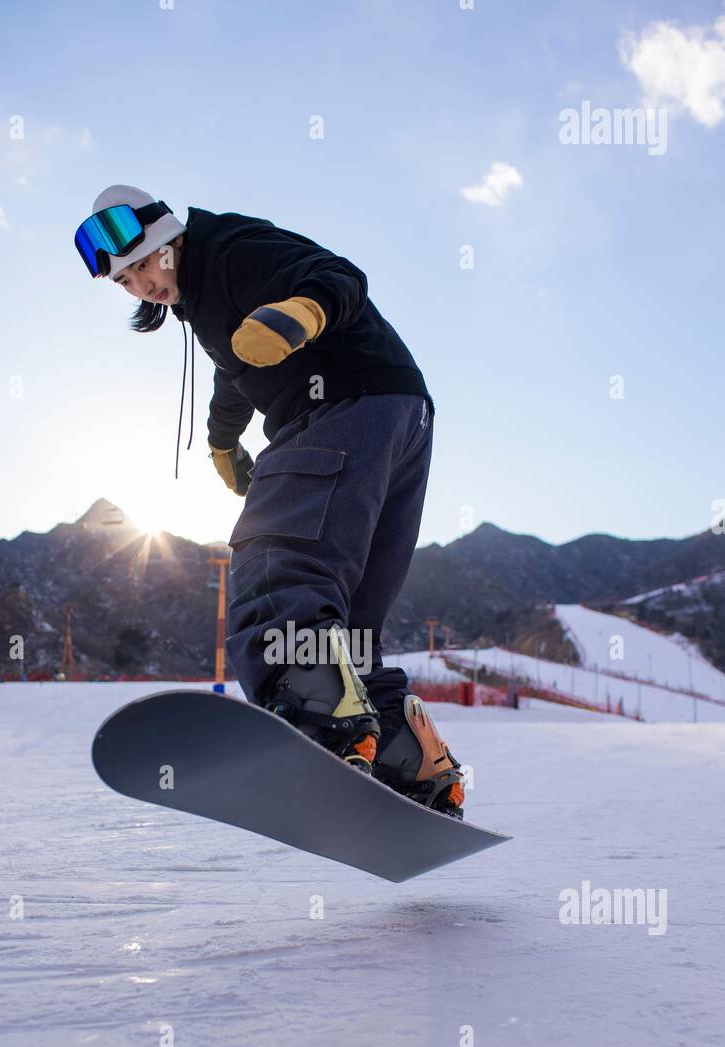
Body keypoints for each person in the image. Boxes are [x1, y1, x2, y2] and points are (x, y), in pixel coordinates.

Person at [74, 185, 464, 815]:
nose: (142, 284)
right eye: (125, 279)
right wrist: (222, 444)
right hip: (398, 414)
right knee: (348, 624)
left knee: (272, 565)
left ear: (171, 237)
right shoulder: (205, 302)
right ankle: (409, 762)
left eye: (146, 262)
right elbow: (237, 372)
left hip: (338, 407)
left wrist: (299, 313)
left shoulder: (228, 248)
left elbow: (336, 276)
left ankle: (314, 711)